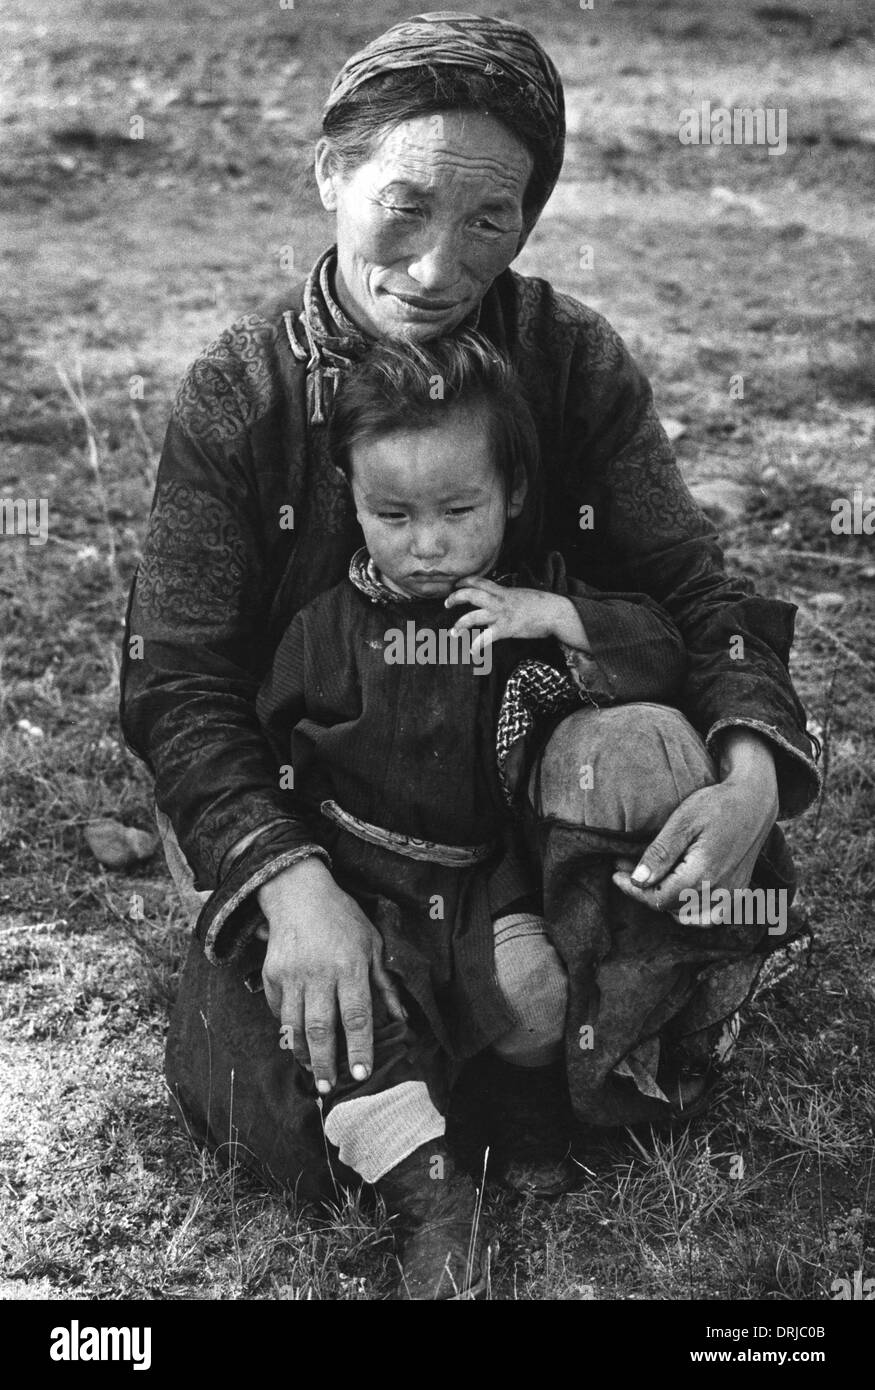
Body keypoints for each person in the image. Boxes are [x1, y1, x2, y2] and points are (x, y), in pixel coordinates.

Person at [119, 13, 820, 1299]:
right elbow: (178, 684)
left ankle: (560, 1049)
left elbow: (693, 591)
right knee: (270, 1118)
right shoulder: (240, 400)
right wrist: (287, 886)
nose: (439, 267)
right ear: (327, 170)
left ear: (532, 220)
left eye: (491, 221)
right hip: (317, 815)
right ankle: (475, 1076)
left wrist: (747, 774)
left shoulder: (566, 360)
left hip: (511, 816)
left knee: (644, 756)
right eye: (402, 207)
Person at [254, 330, 690, 1296]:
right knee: (356, 1027)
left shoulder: (524, 607)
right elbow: (266, 751)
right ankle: (434, 1198)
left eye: (460, 509)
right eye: (391, 513)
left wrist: (564, 620)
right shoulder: (323, 628)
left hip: (484, 876)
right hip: (363, 880)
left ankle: (526, 1110)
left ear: (515, 496)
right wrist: (295, 882)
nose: (429, 544)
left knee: (533, 998)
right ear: (351, 504)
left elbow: (665, 654)